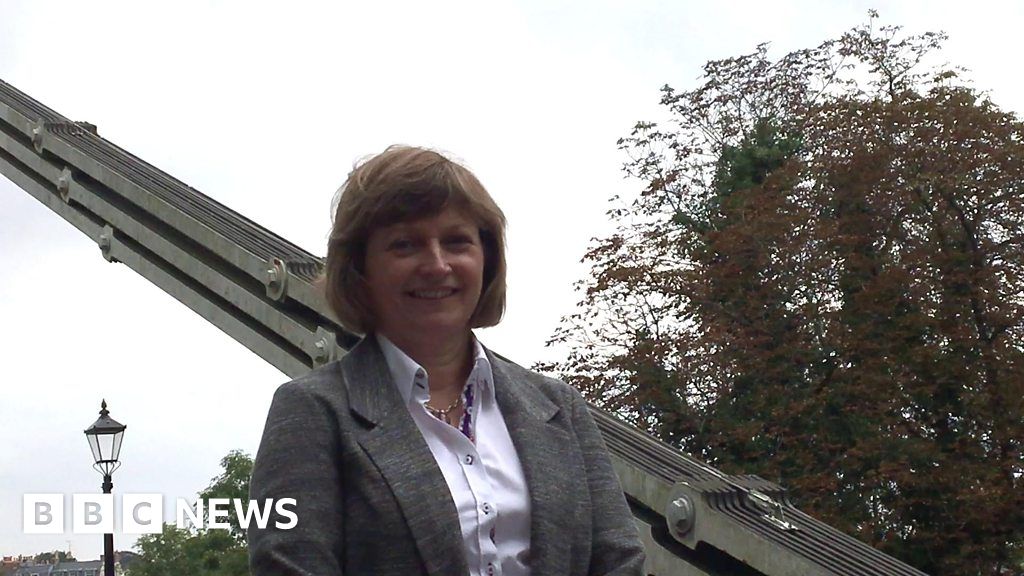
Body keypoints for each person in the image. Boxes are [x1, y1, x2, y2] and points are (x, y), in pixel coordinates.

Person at [247, 145, 645, 576]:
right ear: (360, 269)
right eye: (405, 245)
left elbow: (619, 560)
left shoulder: (557, 407)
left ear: (486, 259)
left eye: (456, 242)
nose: (437, 265)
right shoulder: (310, 411)